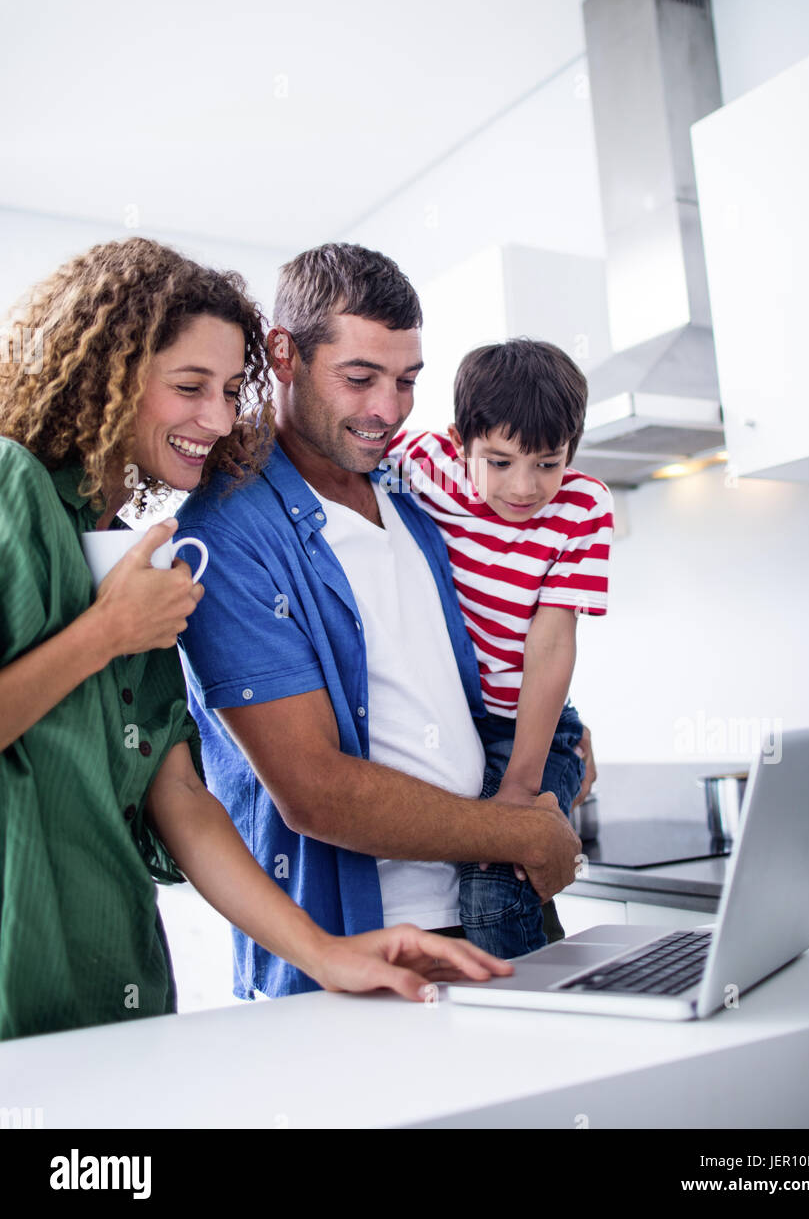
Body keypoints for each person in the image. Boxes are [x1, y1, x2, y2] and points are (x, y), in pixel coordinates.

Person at [0, 237, 508, 1042]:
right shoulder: (12, 487)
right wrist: (104, 633)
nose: (218, 419)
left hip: (114, 979)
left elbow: (184, 800)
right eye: (190, 387)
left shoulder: (138, 550)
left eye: (232, 390)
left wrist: (327, 952)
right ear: (111, 375)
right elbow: (307, 789)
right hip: (15, 975)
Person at [175, 243, 584, 1000]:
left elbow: (472, 663)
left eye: (406, 381)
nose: (387, 411)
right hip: (361, 944)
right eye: (360, 378)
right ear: (285, 354)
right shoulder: (227, 535)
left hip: (489, 907)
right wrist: (521, 830)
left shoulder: (417, 497)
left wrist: (559, 743)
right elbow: (315, 791)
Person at [383, 338, 613, 956]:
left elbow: (553, 640)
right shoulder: (423, 462)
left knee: (495, 886)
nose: (524, 486)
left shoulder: (583, 507)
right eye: (501, 461)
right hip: (453, 726)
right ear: (461, 442)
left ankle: (529, 1021)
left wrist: (522, 781)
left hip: (535, 733)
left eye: (547, 462)